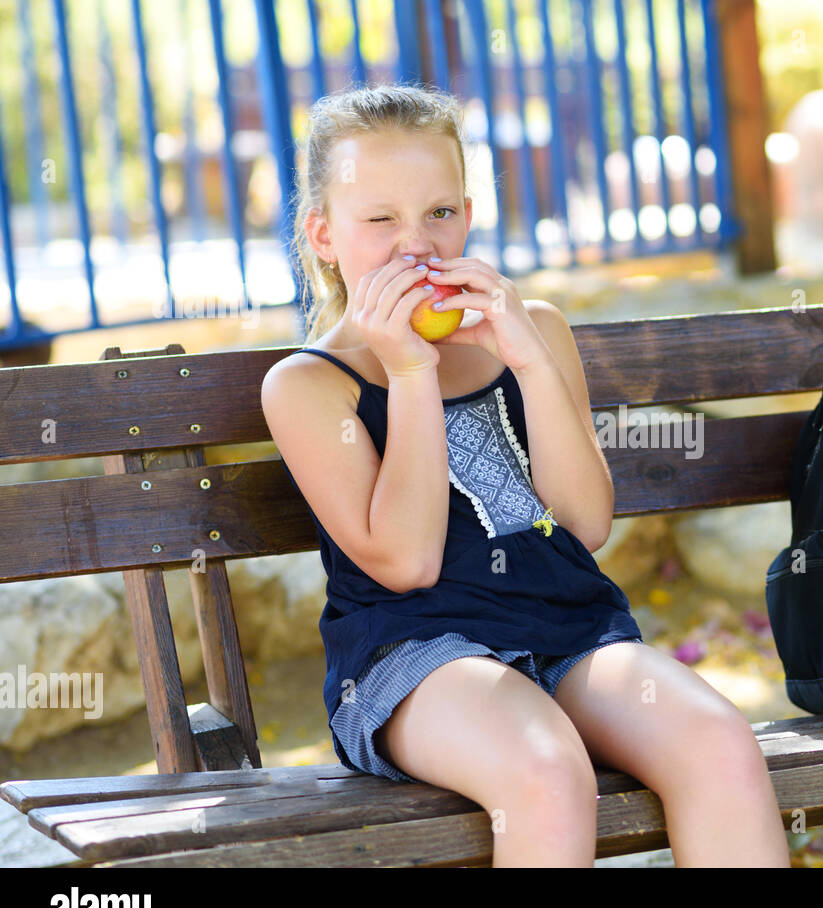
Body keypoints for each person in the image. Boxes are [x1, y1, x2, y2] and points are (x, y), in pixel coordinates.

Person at [260, 83, 790, 867]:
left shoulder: (533, 330)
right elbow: (408, 562)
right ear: (324, 234)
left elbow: (584, 523)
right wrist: (409, 371)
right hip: (413, 657)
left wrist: (528, 359)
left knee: (718, 740)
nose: (418, 246)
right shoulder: (310, 385)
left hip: (568, 630)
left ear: (468, 217)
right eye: (380, 220)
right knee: (545, 768)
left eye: (440, 213)